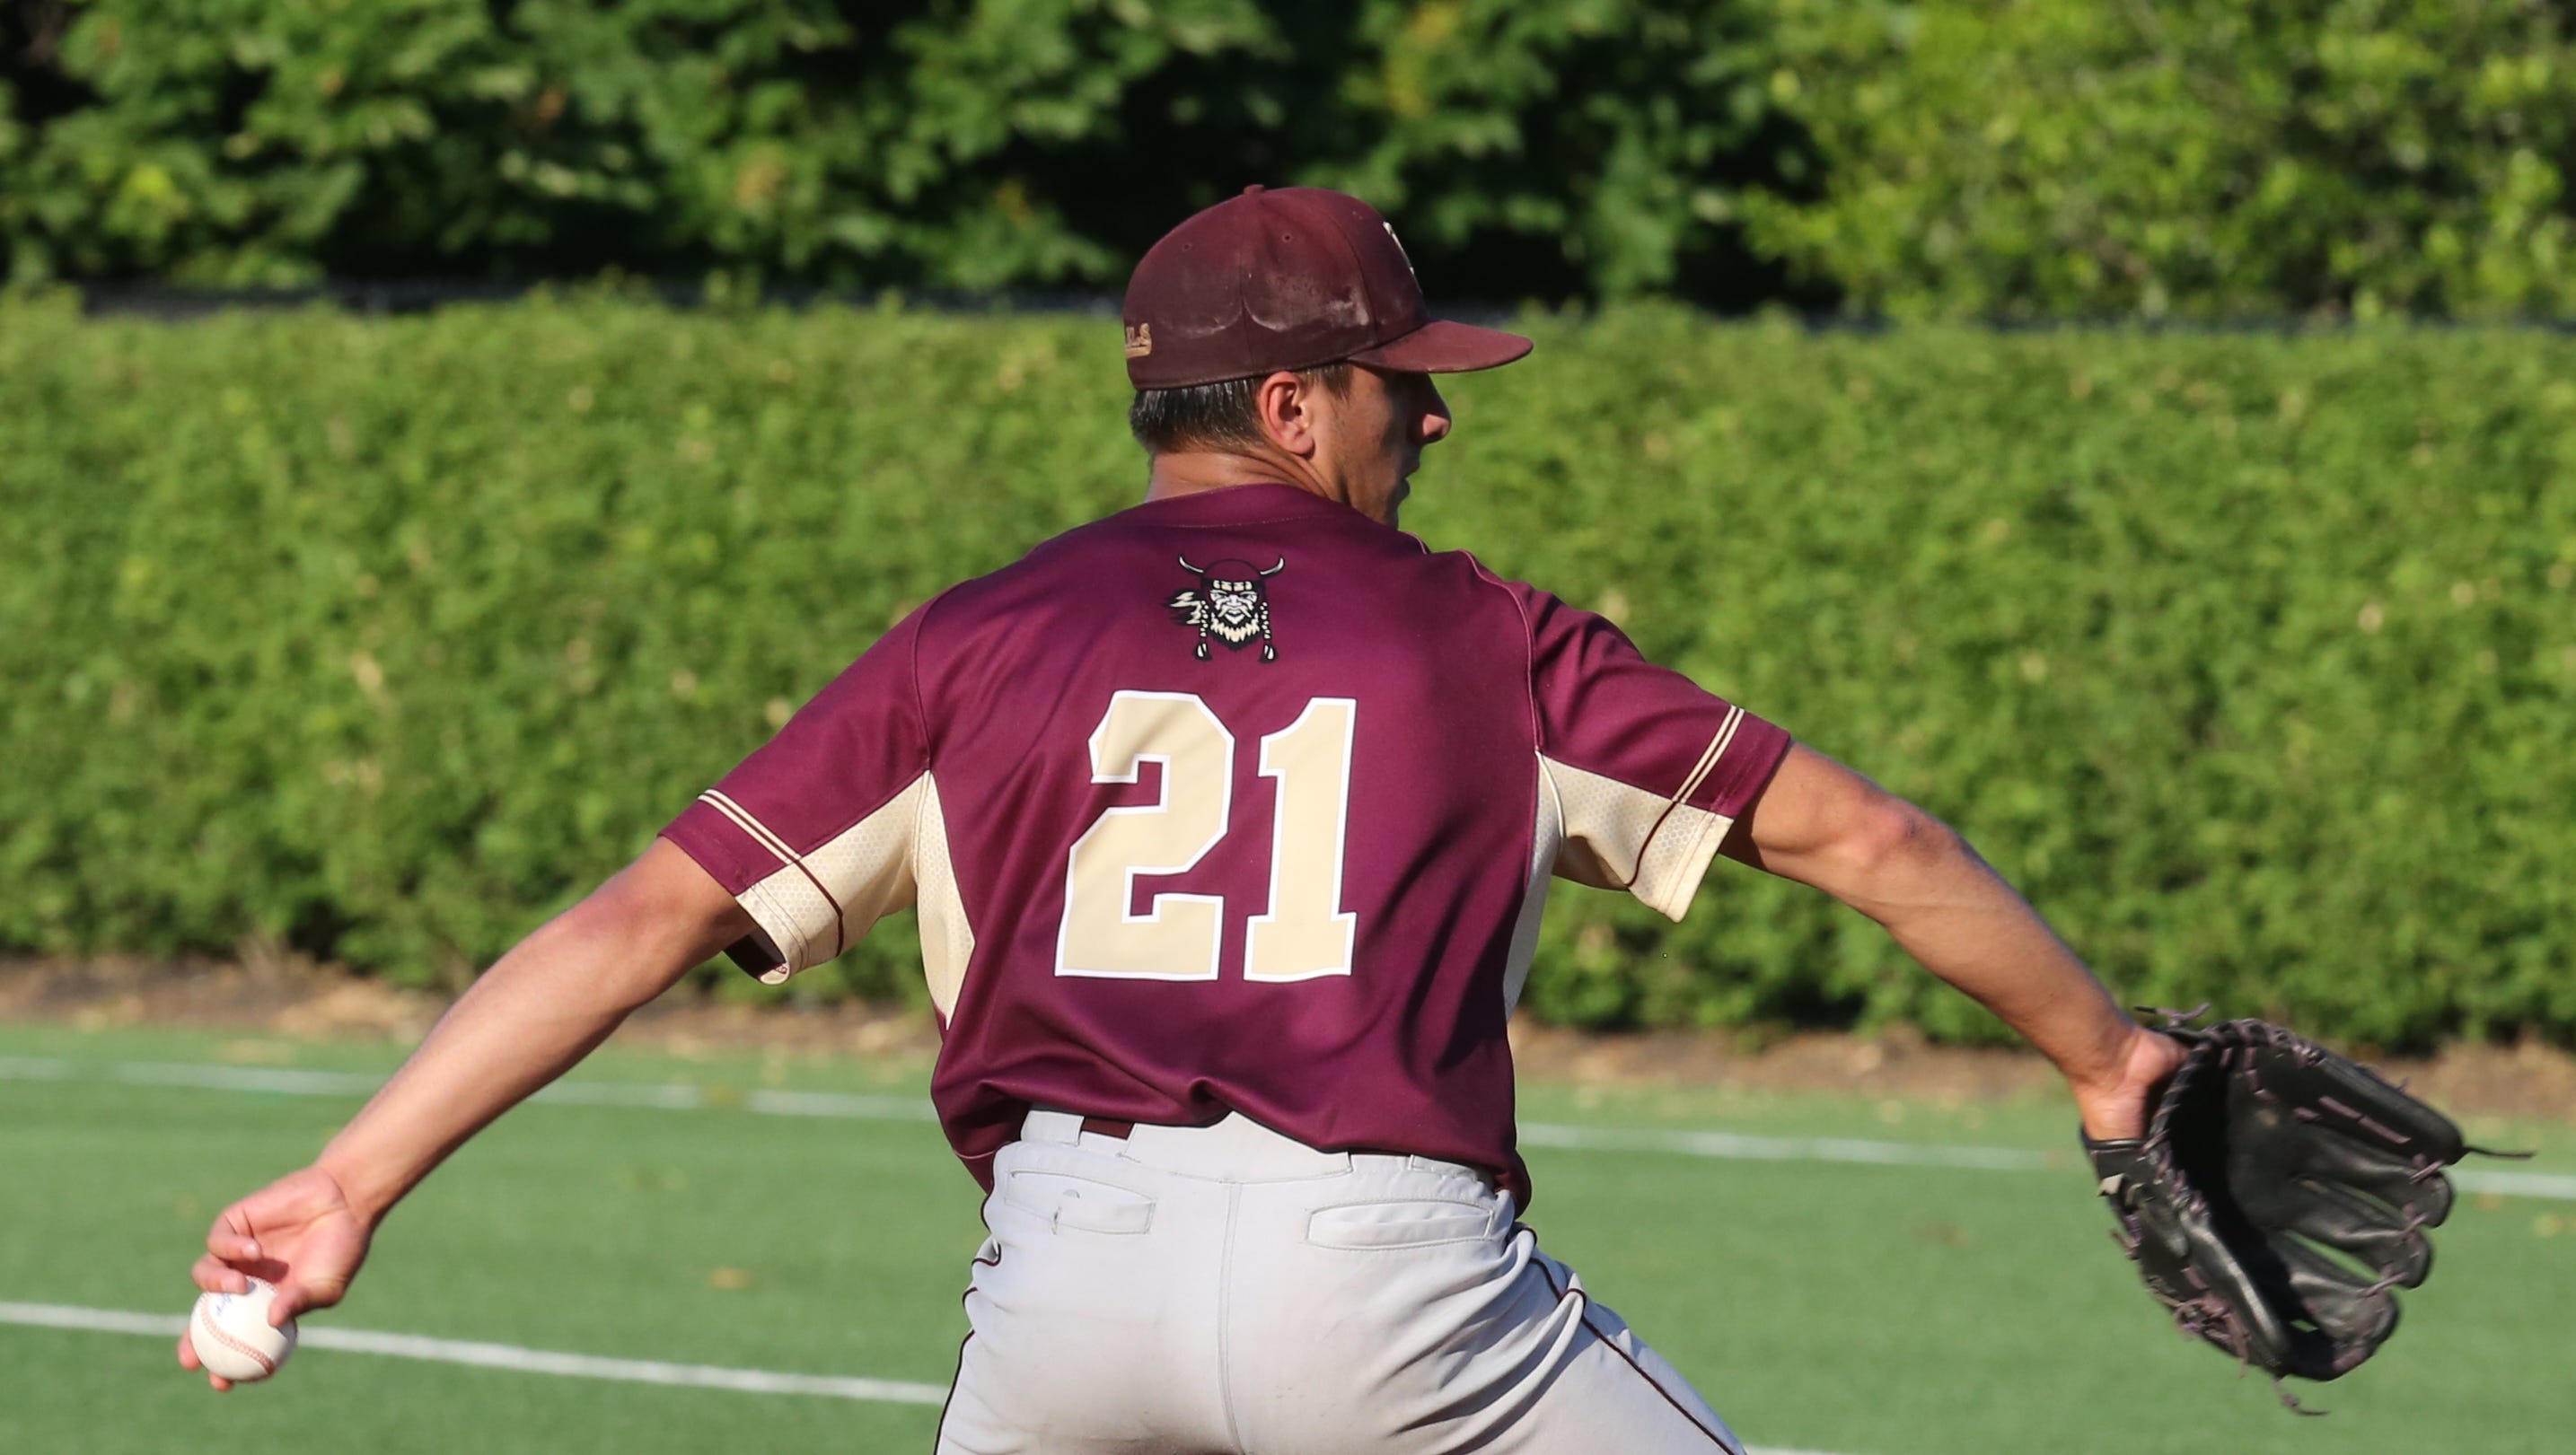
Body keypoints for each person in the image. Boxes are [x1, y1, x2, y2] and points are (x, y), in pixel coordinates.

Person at [182, 186, 2185, 1452]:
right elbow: (1874, 844)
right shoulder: (1486, 639)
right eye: (1409, 380)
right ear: (1299, 409)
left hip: (1069, 1290)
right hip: (1394, 1294)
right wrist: (2107, 1058)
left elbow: (635, 920)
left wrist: (354, 1177)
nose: (1438, 413)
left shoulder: (973, 642)